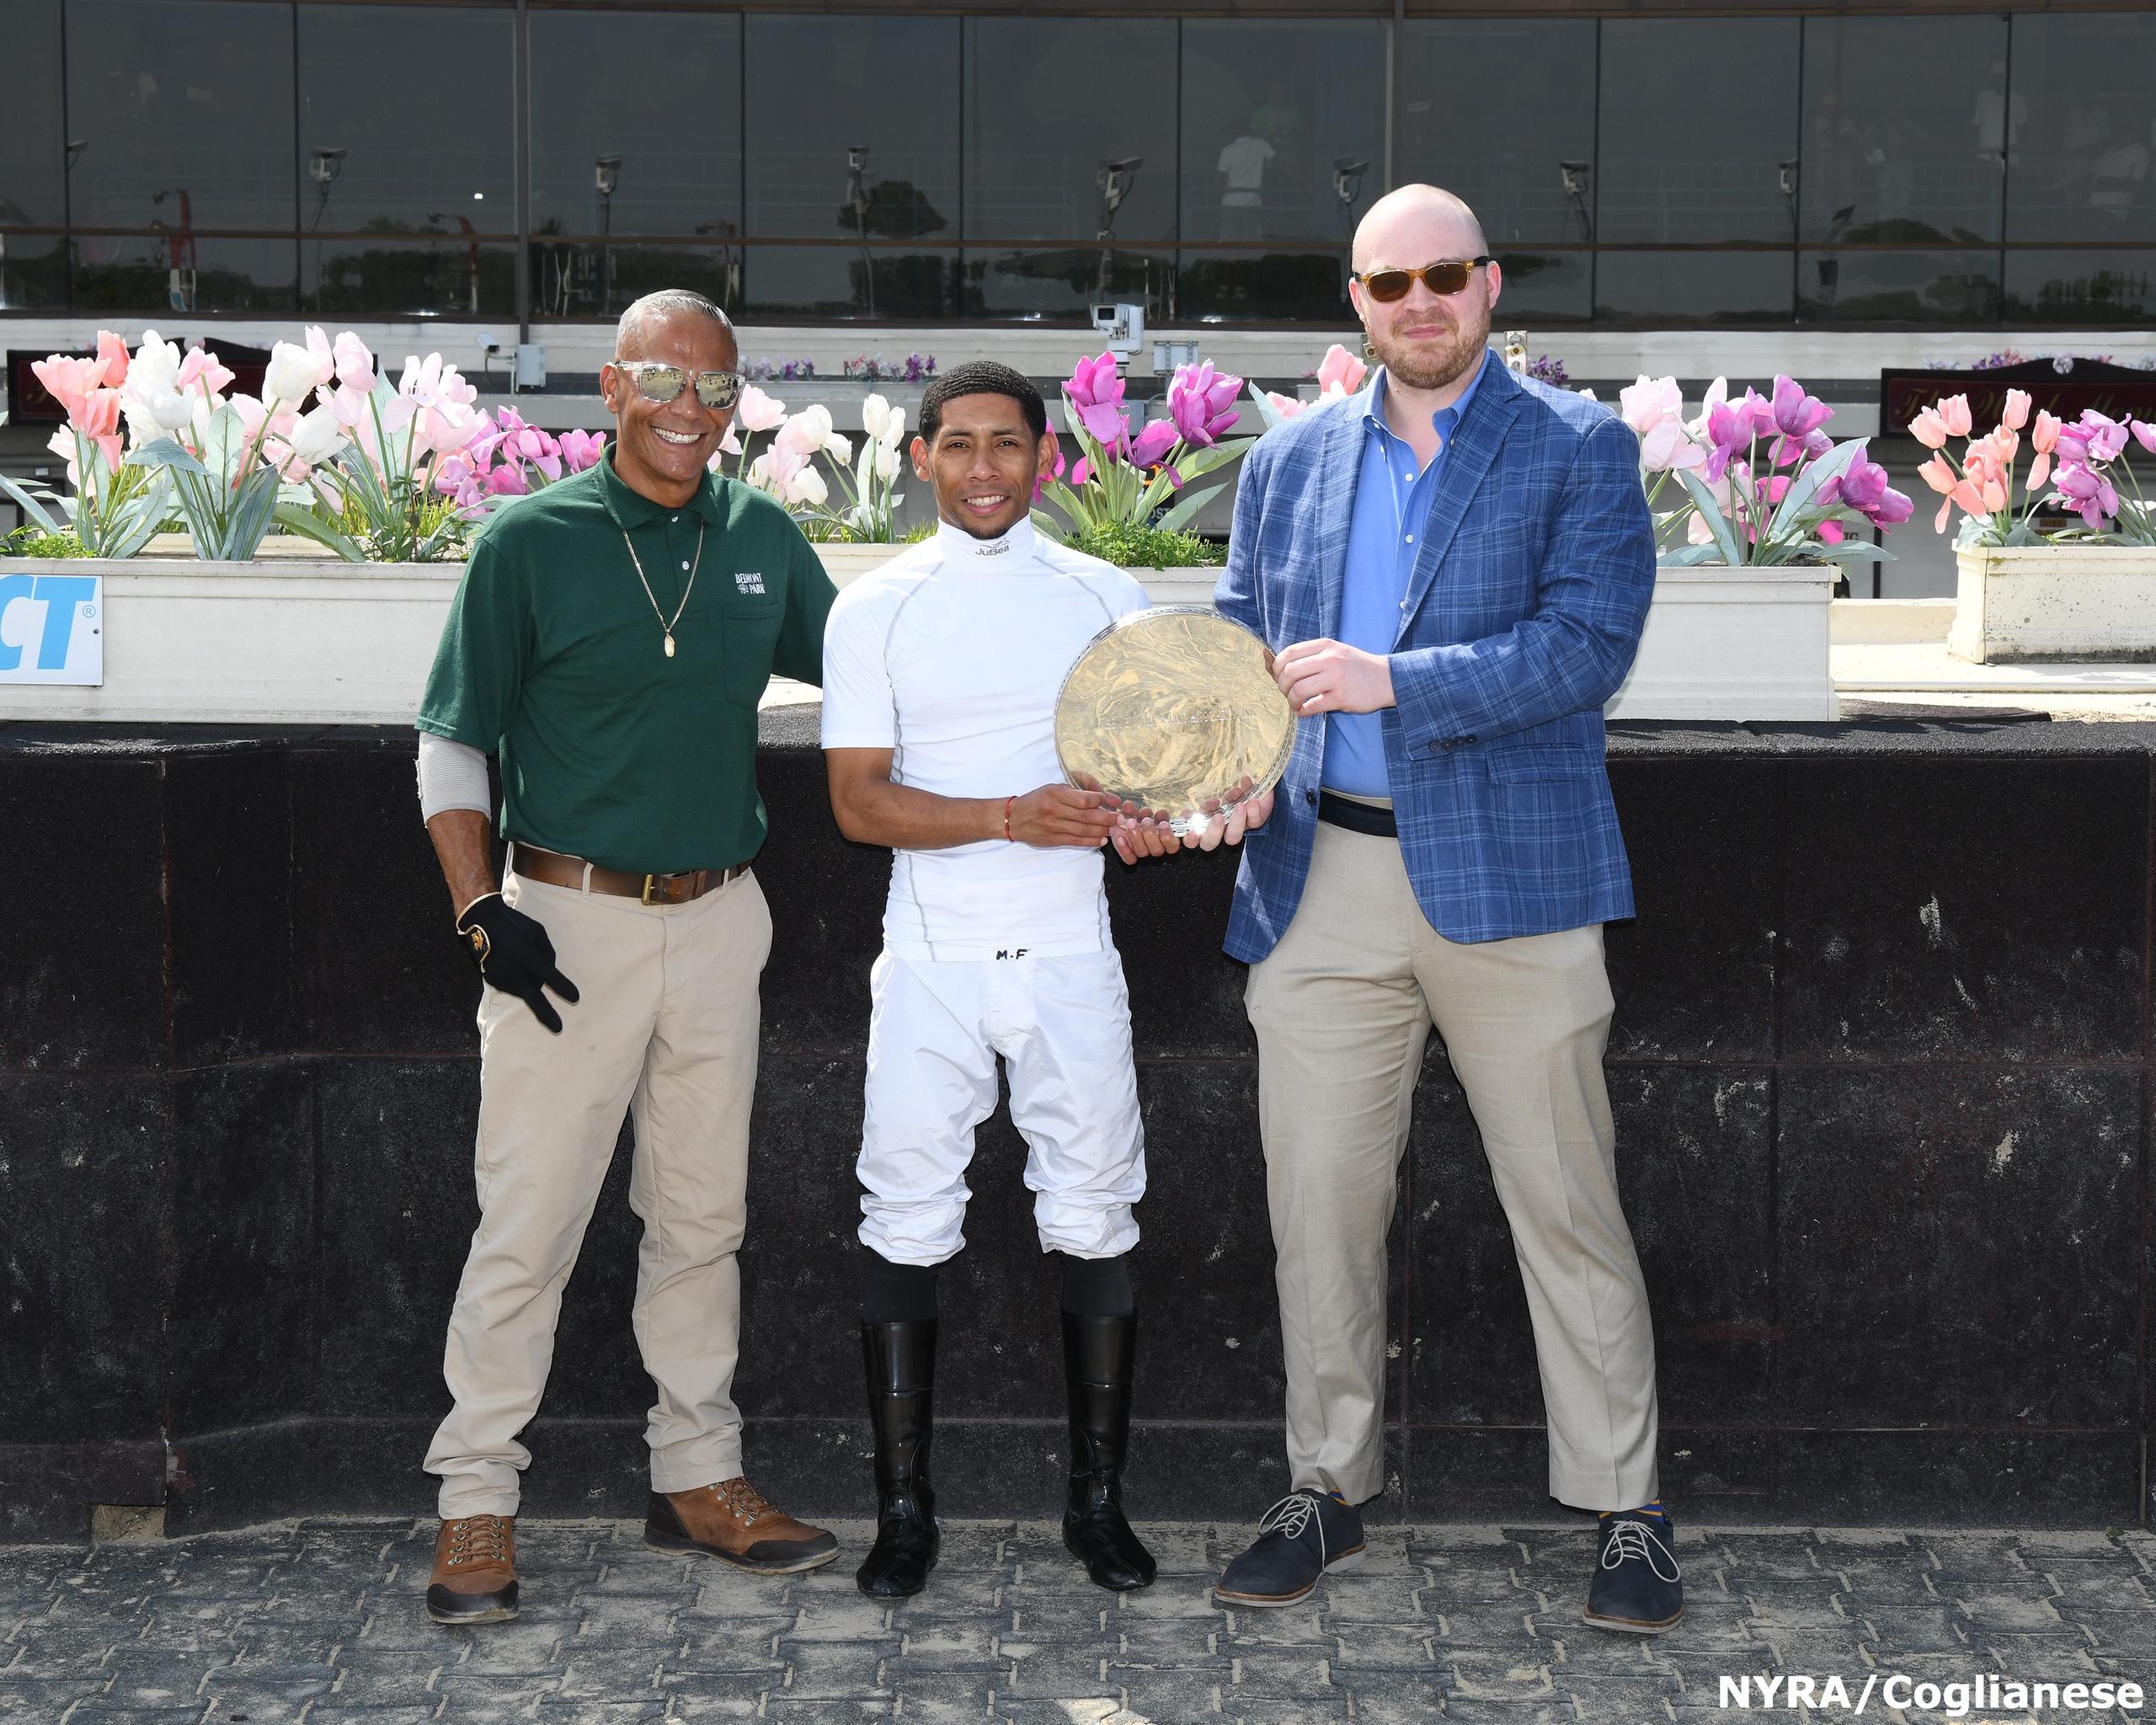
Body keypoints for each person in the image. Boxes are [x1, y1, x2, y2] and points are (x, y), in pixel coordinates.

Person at [1209, 184, 1681, 1634]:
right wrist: (1218, 768)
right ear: (1355, 300)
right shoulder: (1285, 462)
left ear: (1488, 285)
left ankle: (1625, 1507)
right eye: (1387, 281)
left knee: (1566, 1206)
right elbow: (1241, 631)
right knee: (1319, 1210)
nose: (1419, 302)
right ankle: (1324, 1483)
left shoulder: (1579, 448)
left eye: (1445, 276)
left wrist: (1391, 681)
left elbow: (1584, 649)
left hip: (1516, 886)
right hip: (1321, 882)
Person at [412, 289, 841, 1625]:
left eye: (716, 390)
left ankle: (697, 1476)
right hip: (565, 925)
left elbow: (877, 688)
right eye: (664, 380)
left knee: (704, 1218)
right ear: (610, 387)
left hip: (721, 920)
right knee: (528, 1222)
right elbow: (452, 743)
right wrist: (484, 911)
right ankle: (477, 1499)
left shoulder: (764, 534)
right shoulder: (529, 542)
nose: (689, 410)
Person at [820, 360, 1251, 1600]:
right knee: (904, 1215)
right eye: (957, 445)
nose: (983, 469)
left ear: (1047, 456)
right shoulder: (876, 608)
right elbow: (857, 805)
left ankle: (1097, 1508)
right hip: (934, 960)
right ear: (921, 460)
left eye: (1006, 444)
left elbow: (1168, 774)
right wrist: (1015, 812)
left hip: (1071, 956)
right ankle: (904, 1519)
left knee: (1096, 1209)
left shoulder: (1107, 594)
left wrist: (1161, 817)